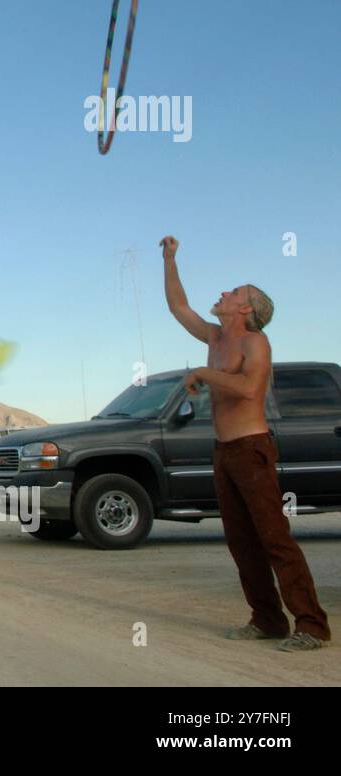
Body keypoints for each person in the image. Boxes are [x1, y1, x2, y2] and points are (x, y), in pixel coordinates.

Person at [160, 235, 330, 651]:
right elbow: (179, 308)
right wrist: (169, 259)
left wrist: (203, 373)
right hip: (223, 453)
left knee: (274, 537)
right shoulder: (216, 338)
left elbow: (249, 388)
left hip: (251, 449)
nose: (223, 293)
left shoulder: (255, 342)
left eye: (233, 292)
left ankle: (311, 626)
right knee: (240, 541)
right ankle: (267, 619)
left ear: (247, 308)